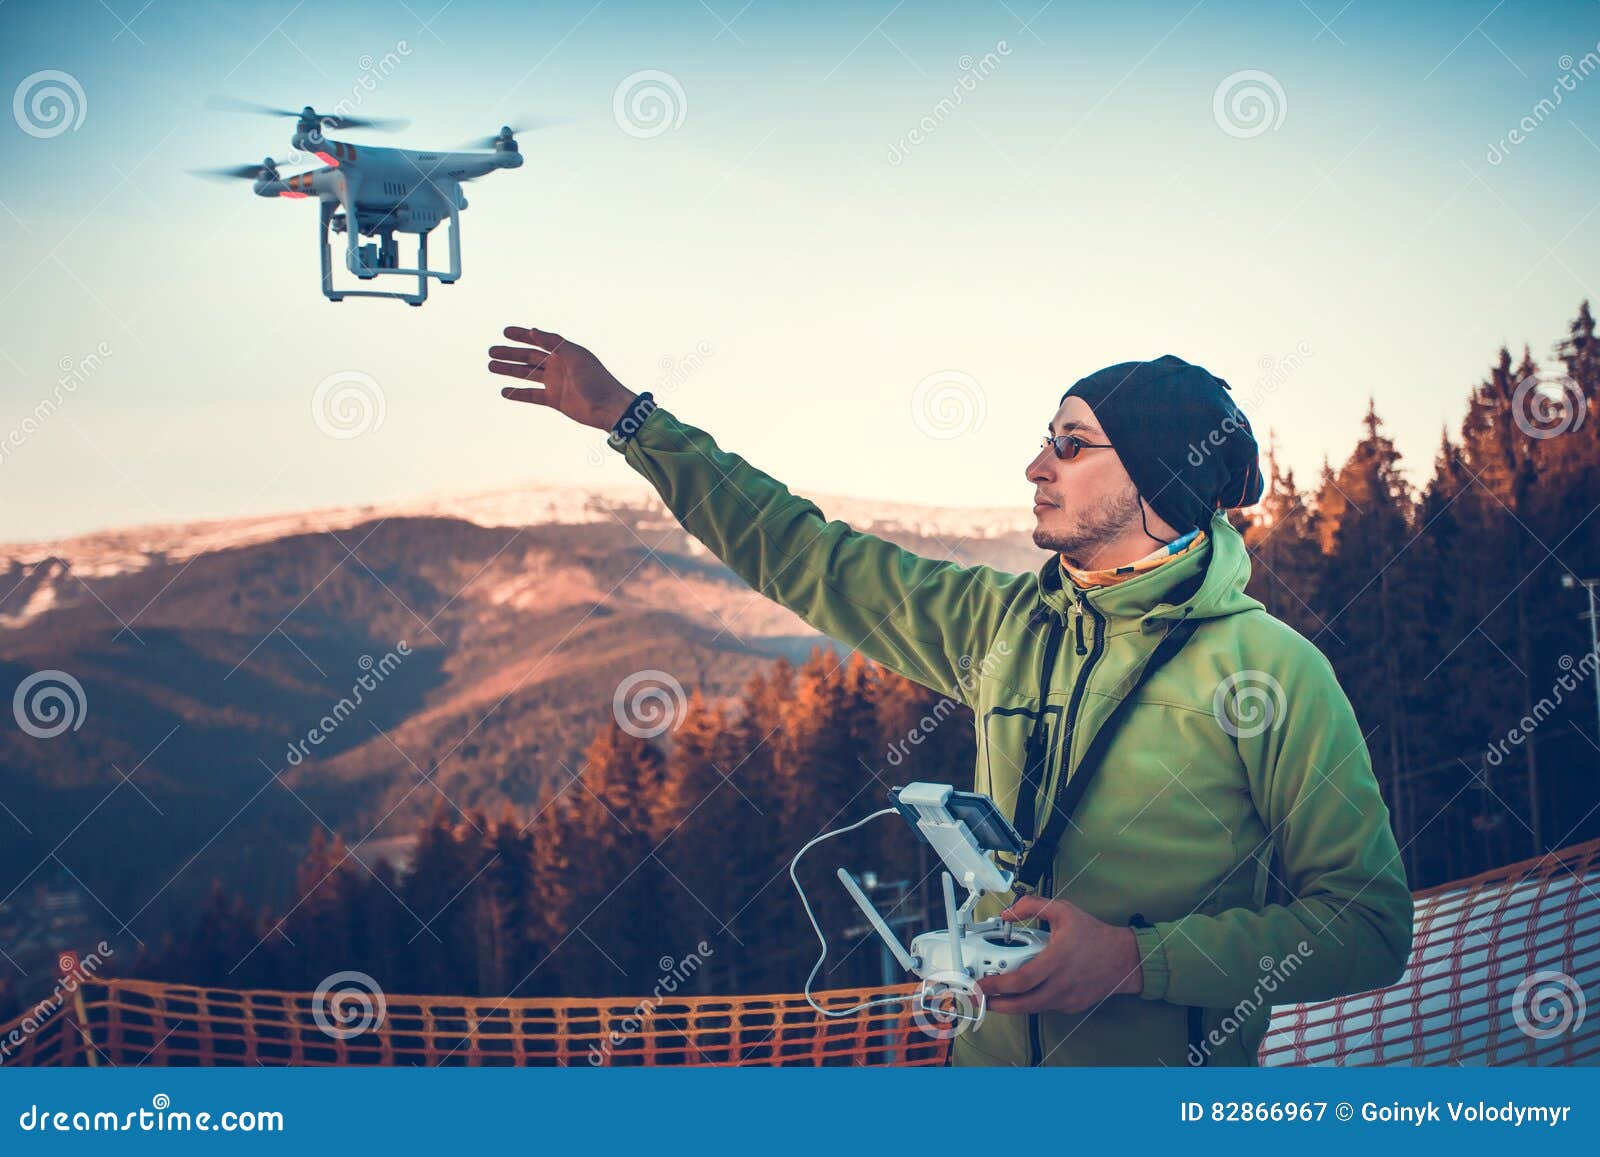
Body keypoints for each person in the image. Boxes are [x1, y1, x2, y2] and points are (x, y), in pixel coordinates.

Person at [488, 326, 1415, 1067]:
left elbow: (1369, 927)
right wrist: (633, 420)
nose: (1035, 466)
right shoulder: (1001, 625)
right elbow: (804, 551)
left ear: (1157, 481)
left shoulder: (1271, 670)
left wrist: (1133, 962)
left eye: (1071, 444)